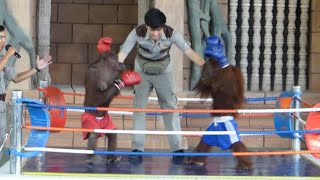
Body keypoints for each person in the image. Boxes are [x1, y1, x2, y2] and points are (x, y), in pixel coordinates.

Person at [117, 8, 205, 163]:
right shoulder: (136, 33)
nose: (155, 34)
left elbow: (189, 52)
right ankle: (137, 149)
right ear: (146, 26)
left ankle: (177, 149)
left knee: (170, 108)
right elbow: (122, 55)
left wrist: (207, 68)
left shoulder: (172, 34)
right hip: (142, 72)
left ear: (163, 27)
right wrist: (111, 71)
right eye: (152, 30)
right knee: (139, 109)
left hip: (164, 72)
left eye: (158, 30)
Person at [186, 36, 252, 170]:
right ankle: (198, 159)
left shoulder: (230, 73)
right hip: (217, 117)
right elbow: (204, 87)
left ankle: (245, 162)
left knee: (234, 141)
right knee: (206, 139)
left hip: (226, 115)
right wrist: (207, 72)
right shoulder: (214, 71)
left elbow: (232, 93)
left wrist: (215, 74)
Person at [0, 25, 52, 161]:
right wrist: (8, 54)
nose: (3, 41)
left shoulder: (2, 59)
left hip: (1, 105)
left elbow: (16, 78)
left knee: (0, 140)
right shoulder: (3, 58)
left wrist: (36, 68)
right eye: (0, 37)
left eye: (4, 37)